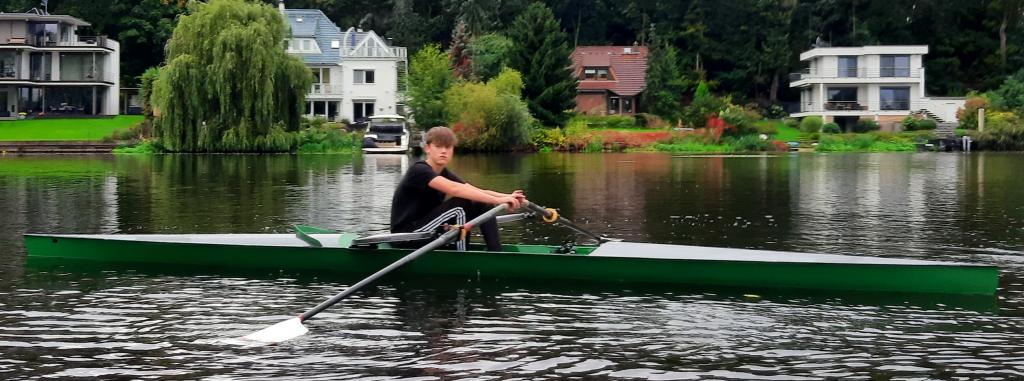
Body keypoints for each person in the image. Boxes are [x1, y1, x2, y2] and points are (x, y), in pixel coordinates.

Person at [390, 126, 526, 251]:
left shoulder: (444, 173)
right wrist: (499, 200)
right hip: (407, 236)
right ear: (427, 149)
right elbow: (455, 189)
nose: (443, 151)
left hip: (427, 230)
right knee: (462, 204)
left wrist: (506, 197)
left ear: (452, 150)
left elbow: (474, 190)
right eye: (438, 146)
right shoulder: (419, 170)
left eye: (448, 147)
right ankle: (462, 255)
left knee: (481, 202)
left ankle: (496, 253)